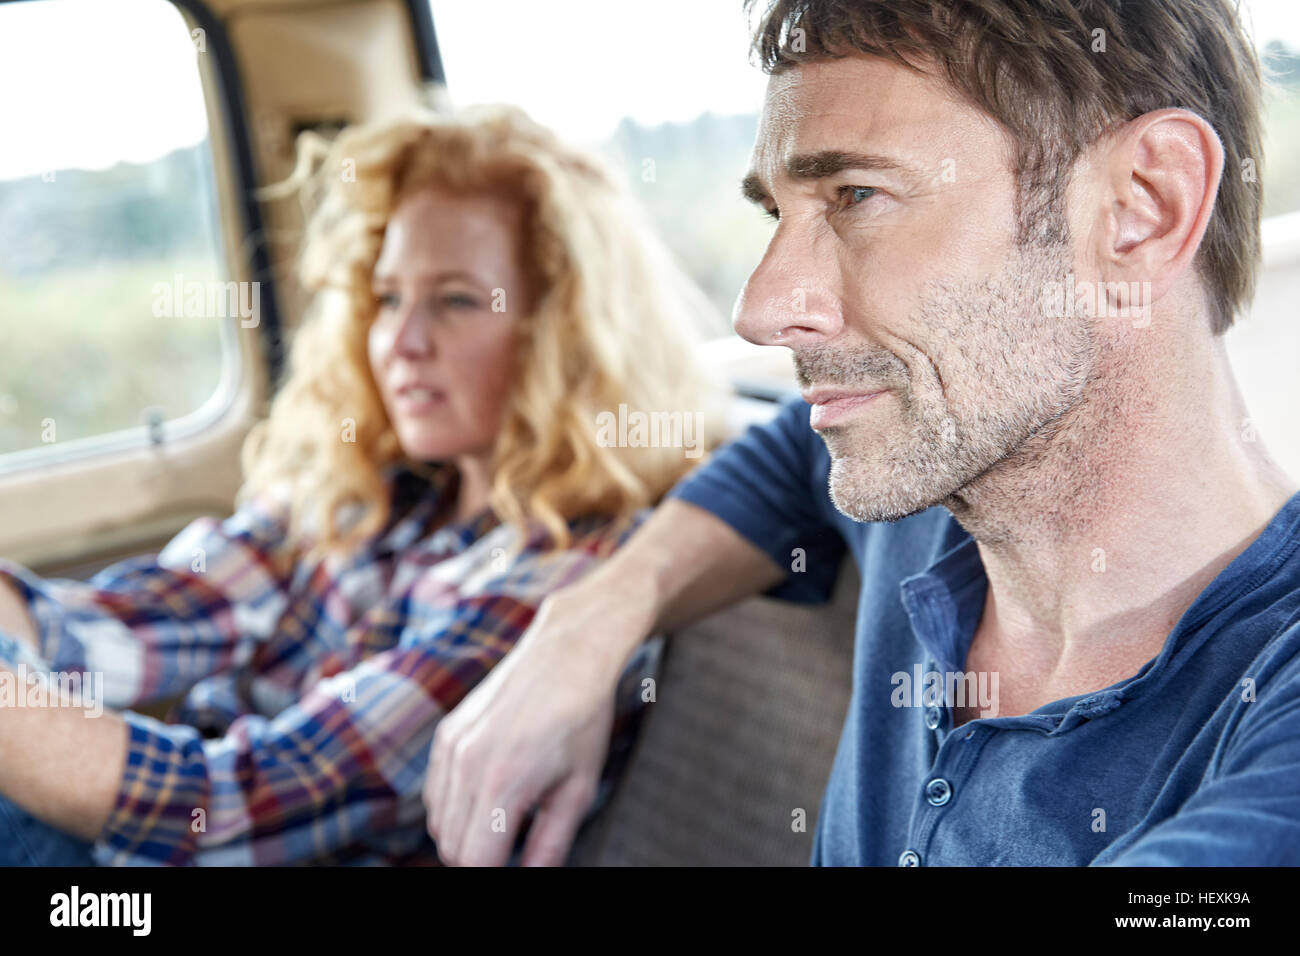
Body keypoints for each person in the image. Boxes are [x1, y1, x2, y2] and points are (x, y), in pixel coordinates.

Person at [424, 0, 1300, 866]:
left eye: (857, 195)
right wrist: (587, 623)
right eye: (778, 213)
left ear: (1143, 206)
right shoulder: (934, 472)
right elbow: (786, 459)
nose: (761, 310)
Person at [0, 104, 721, 865]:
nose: (402, 343)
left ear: (560, 333)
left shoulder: (571, 575)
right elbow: (121, 622)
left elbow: (224, 806)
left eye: (455, 300)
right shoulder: (373, 492)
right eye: (387, 299)